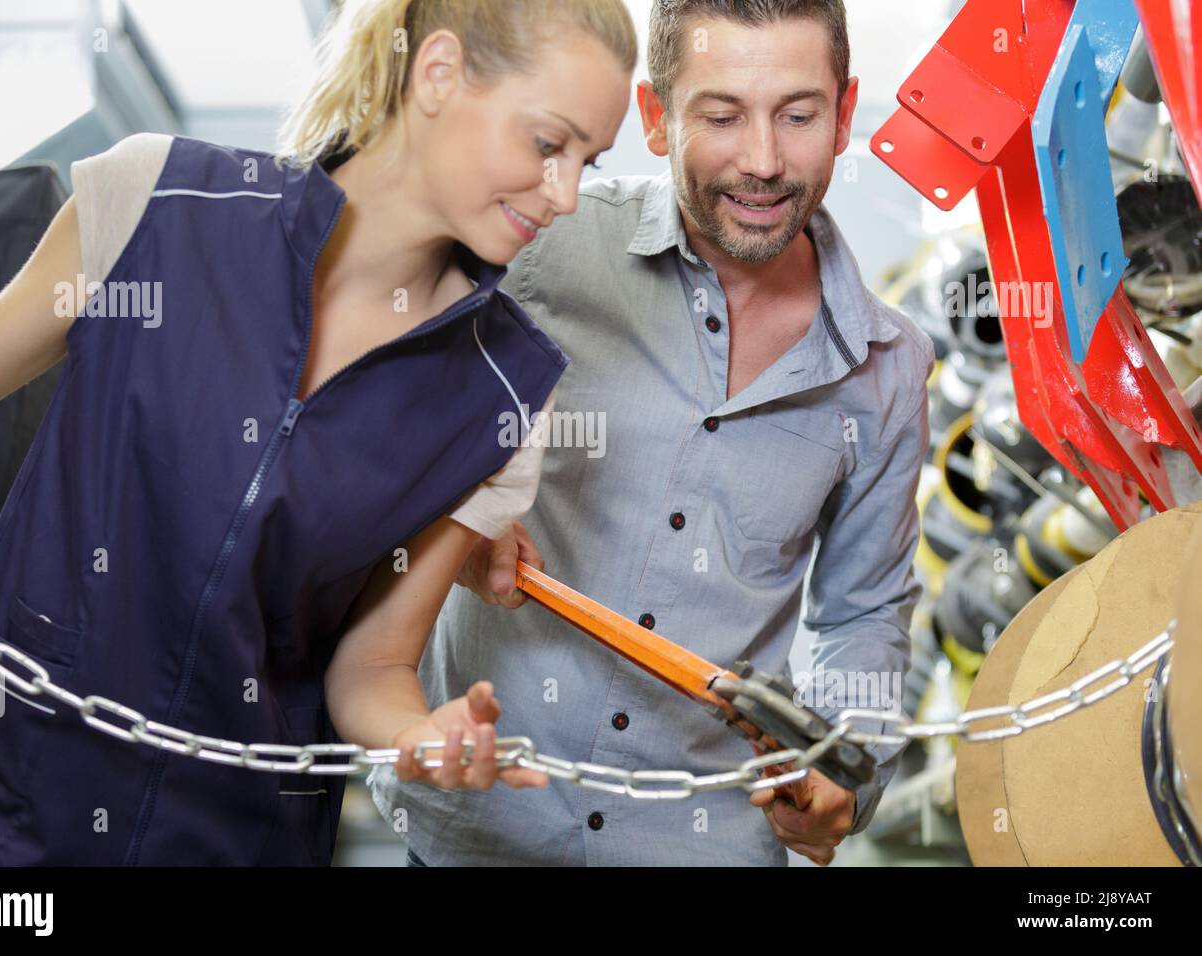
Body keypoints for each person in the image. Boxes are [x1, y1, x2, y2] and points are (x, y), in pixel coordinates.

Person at [0, 0, 635, 865]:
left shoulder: (506, 392)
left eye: (590, 160)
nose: (568, 194)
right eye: (550, 144)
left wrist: (423, 738)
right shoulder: (155, 199)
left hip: (235, 843)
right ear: (437, 74)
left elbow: (372, 667)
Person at [372, 0, 936, 866]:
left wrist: (846, 773)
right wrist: (442, 505)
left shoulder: (889, 367)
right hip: (473, 829)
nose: (764, 162)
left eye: (798, 114)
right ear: (655, 118)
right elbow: (363, 381)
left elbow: (862, 610)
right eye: (720, 115)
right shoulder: (542, 243)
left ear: (846, 112)